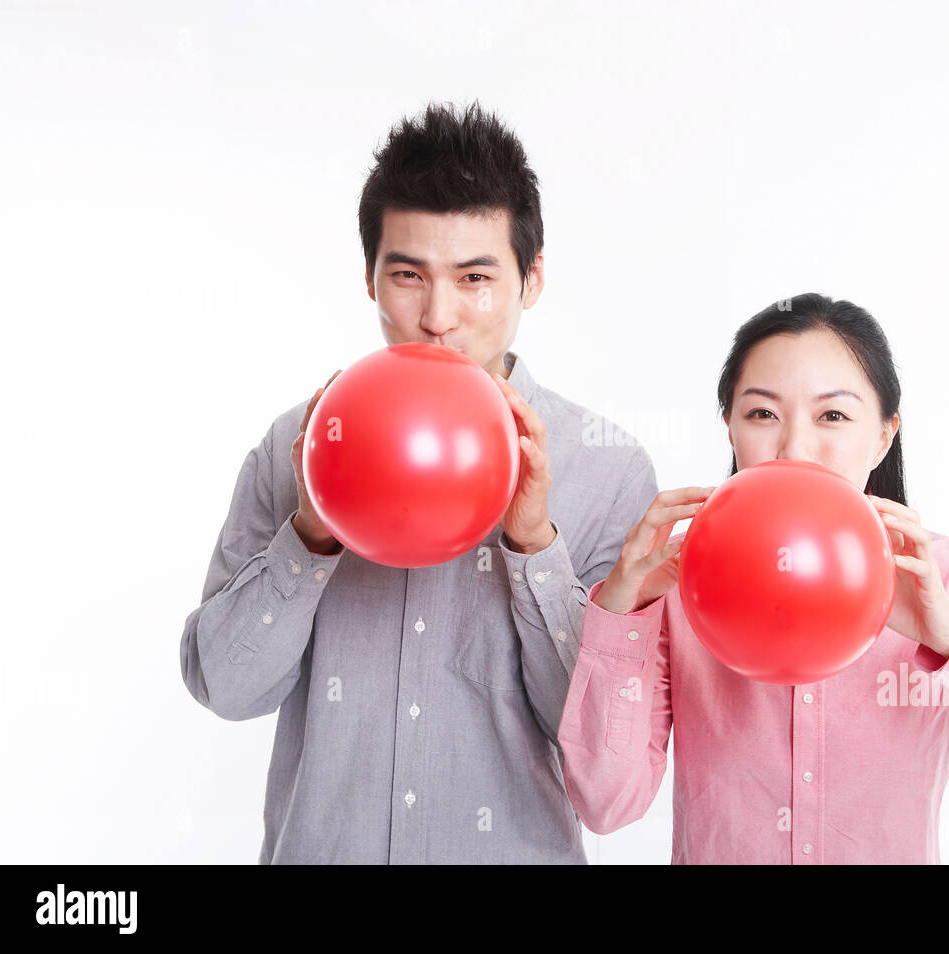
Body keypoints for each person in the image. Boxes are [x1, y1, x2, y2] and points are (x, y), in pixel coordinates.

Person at [180, 101, 658, 864]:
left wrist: (535, 547)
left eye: (475, 278)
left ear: (531, 279)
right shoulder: (294, 447)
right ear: (369, 278)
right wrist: (309, 532)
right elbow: (226, 690)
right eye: (408, 275)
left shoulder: (606, 468)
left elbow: (607, 760)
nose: (438, 317)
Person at [557, 292, 949, 864]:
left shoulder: (945, 577)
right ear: (731, 427)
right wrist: (618, 616)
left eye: (833, 415)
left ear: (883, 436)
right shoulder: (673, 583)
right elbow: (607, 806)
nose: (796, 446)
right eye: (763, 412)